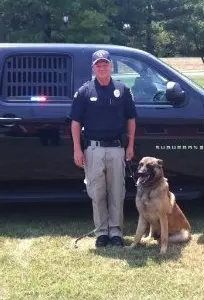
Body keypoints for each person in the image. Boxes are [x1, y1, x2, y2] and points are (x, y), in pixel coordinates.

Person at [69, 49, 137, 247]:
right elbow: (75, 122)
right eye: (98, 64)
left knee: (117, 191)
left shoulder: (123, 90)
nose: (102, 67)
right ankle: (101, 232)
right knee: (97, 192)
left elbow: (131, 118)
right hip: (93, 149)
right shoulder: (84, 91)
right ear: (93, 68)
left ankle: (116, 232)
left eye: (105, 63)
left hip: (117, 149)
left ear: (111, 66)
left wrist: (130, 145)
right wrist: (77, 149)